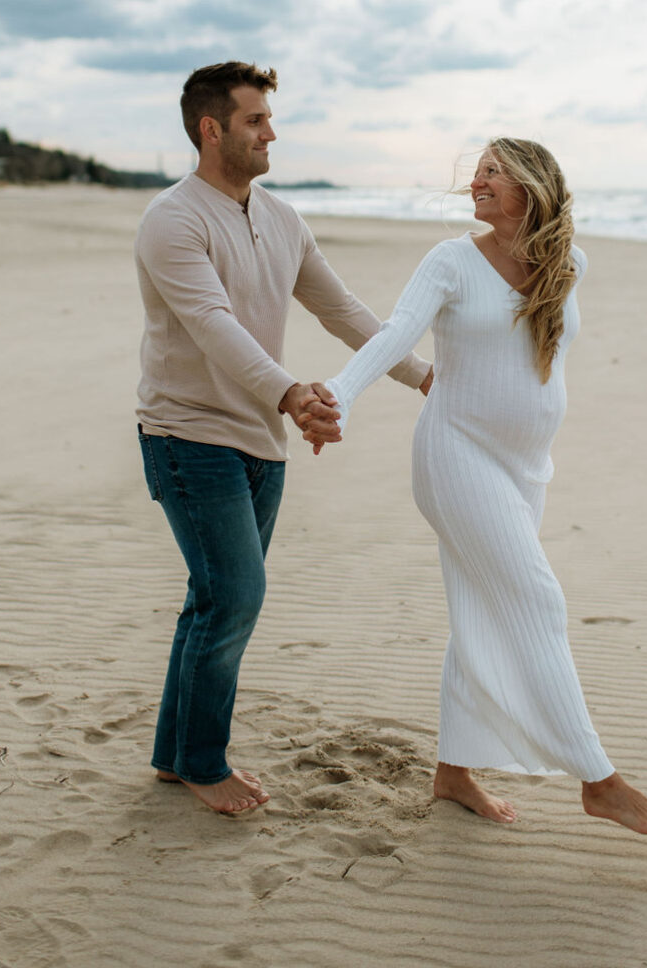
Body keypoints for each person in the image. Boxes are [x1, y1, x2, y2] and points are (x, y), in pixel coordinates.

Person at [306, 138, 647, 834]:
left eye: (492, 172)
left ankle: (452, 775)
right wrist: (339, 396)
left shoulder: (569, 265)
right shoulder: (450, 261)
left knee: (480, 608)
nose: (476, 181)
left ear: (531, 189)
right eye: (476, 172)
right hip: (456, 455)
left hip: (525, 467)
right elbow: (394, 335)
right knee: (535, 599)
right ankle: (598, 779)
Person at [135, 61, 432, 815]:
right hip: (187, 433)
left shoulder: (281, 218)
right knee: (235, 595)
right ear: (212, 129)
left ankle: (175, 757)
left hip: (260, 440)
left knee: (213, 598)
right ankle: (204, 763)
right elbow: (212, 326)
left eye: (269, 118)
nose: (272, 132)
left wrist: (424, 377)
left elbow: (346, 313)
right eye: (256, 120)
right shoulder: (173, 219)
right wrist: (294, 394)